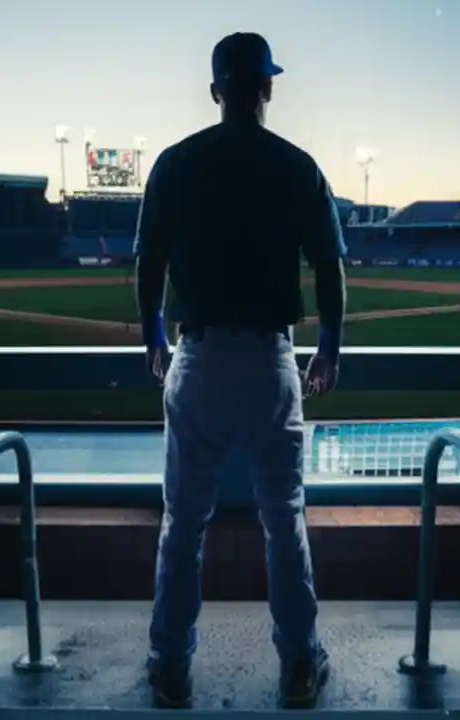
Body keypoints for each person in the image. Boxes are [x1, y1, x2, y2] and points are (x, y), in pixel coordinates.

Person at [133, 32, 347, 710]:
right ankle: (299, 667)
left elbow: (149, 263)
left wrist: (151, 335)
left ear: (217, 89)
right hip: (268, 360)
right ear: (269, 87)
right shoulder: (296, 164)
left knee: (182, 524)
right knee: (284, 521)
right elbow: (330, 266)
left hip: (195, 358)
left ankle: (171, 665)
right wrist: (332, 343)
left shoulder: (176, 162)